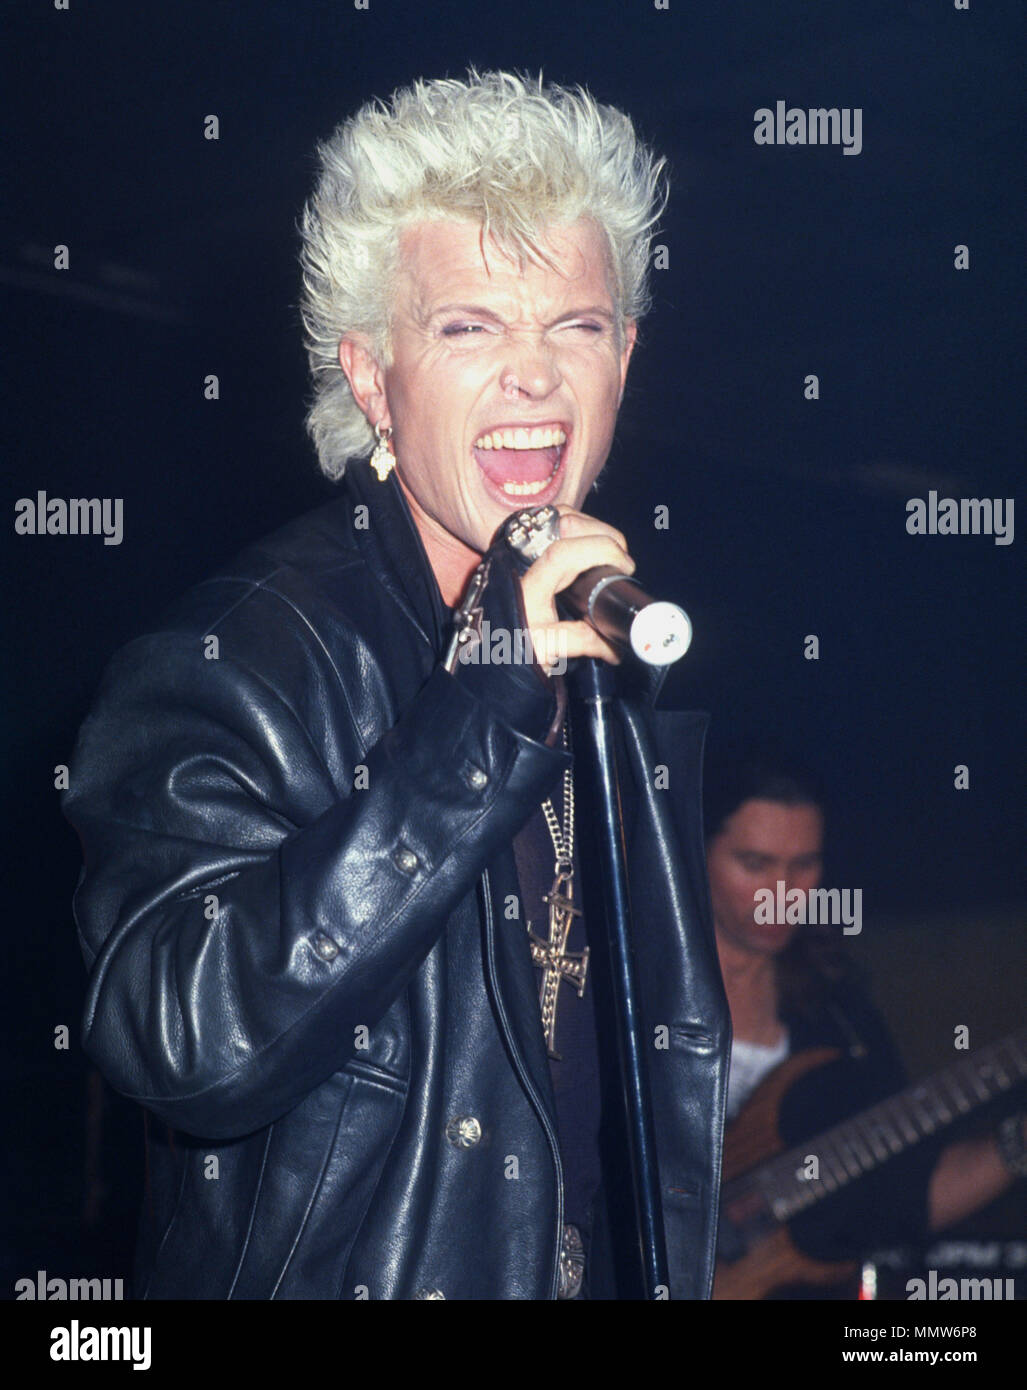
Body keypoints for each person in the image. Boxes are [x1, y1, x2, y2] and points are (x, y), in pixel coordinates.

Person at [62, 69, 730, 1301]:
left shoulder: (601, 654)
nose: (533, 375)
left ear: (625, 358)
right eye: (468, 327)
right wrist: (479, 715)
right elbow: (184, 1046)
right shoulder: (238, 649)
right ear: (371, 378)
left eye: (576, 326)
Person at [703, 744, 1026, 1296]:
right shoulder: (636, 996)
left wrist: (1015, 1144)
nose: (783, 892)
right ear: (695, 853)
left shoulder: (838, 1015)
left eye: (803, 865)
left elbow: (904, 1196)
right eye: (755, 864)